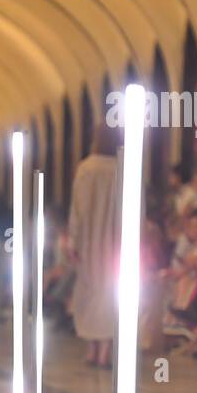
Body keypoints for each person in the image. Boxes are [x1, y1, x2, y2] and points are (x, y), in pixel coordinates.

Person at [66, 122, 120, 368]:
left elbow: (78, 208)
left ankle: (92, 349)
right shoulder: (124, 167)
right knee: (110, 293)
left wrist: (73, 239)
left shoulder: (86, 168)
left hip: (90, 241)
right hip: (117, 240)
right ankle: (105, 349)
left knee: (89, 291)